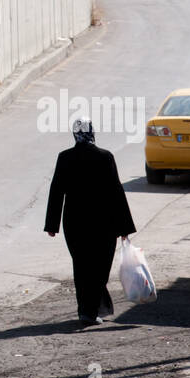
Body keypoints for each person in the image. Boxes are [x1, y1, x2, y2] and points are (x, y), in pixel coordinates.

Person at [44, 119, 136, 325]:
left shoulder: (65, 157)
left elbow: (56, 190)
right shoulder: (105, 157)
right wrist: (124, 228)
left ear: (75, 134)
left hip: (74, 223)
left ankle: (86, 311)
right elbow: (116, 193)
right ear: (92, 132)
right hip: (104, 223)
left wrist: (52, 225)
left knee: (82, 266)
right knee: (100, 267)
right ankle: (92, 310)